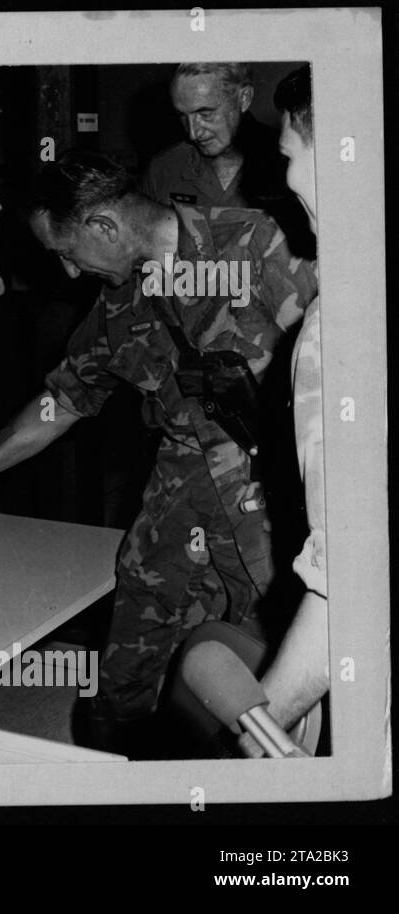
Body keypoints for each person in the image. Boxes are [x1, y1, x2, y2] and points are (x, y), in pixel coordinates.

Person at [0, 150, 318, 757]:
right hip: (184, 477)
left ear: (105, 226)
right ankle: (119, 764)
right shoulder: (119, 300)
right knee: (134, 626)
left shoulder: (257, 244)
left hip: (274, 482)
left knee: (268, 654)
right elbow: (64, 402)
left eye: (67, 252)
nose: (69, 272)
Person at [245, 64, 328, 754]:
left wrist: (261, 729)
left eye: (290, 155)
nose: (287, 181)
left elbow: (349, 591)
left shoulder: (341, 329)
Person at [143, 62, 312, 258]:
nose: (192, 133)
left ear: (244, 98)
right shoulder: (163, 169)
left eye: (205, 114)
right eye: (182, 116)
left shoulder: (292, 164)